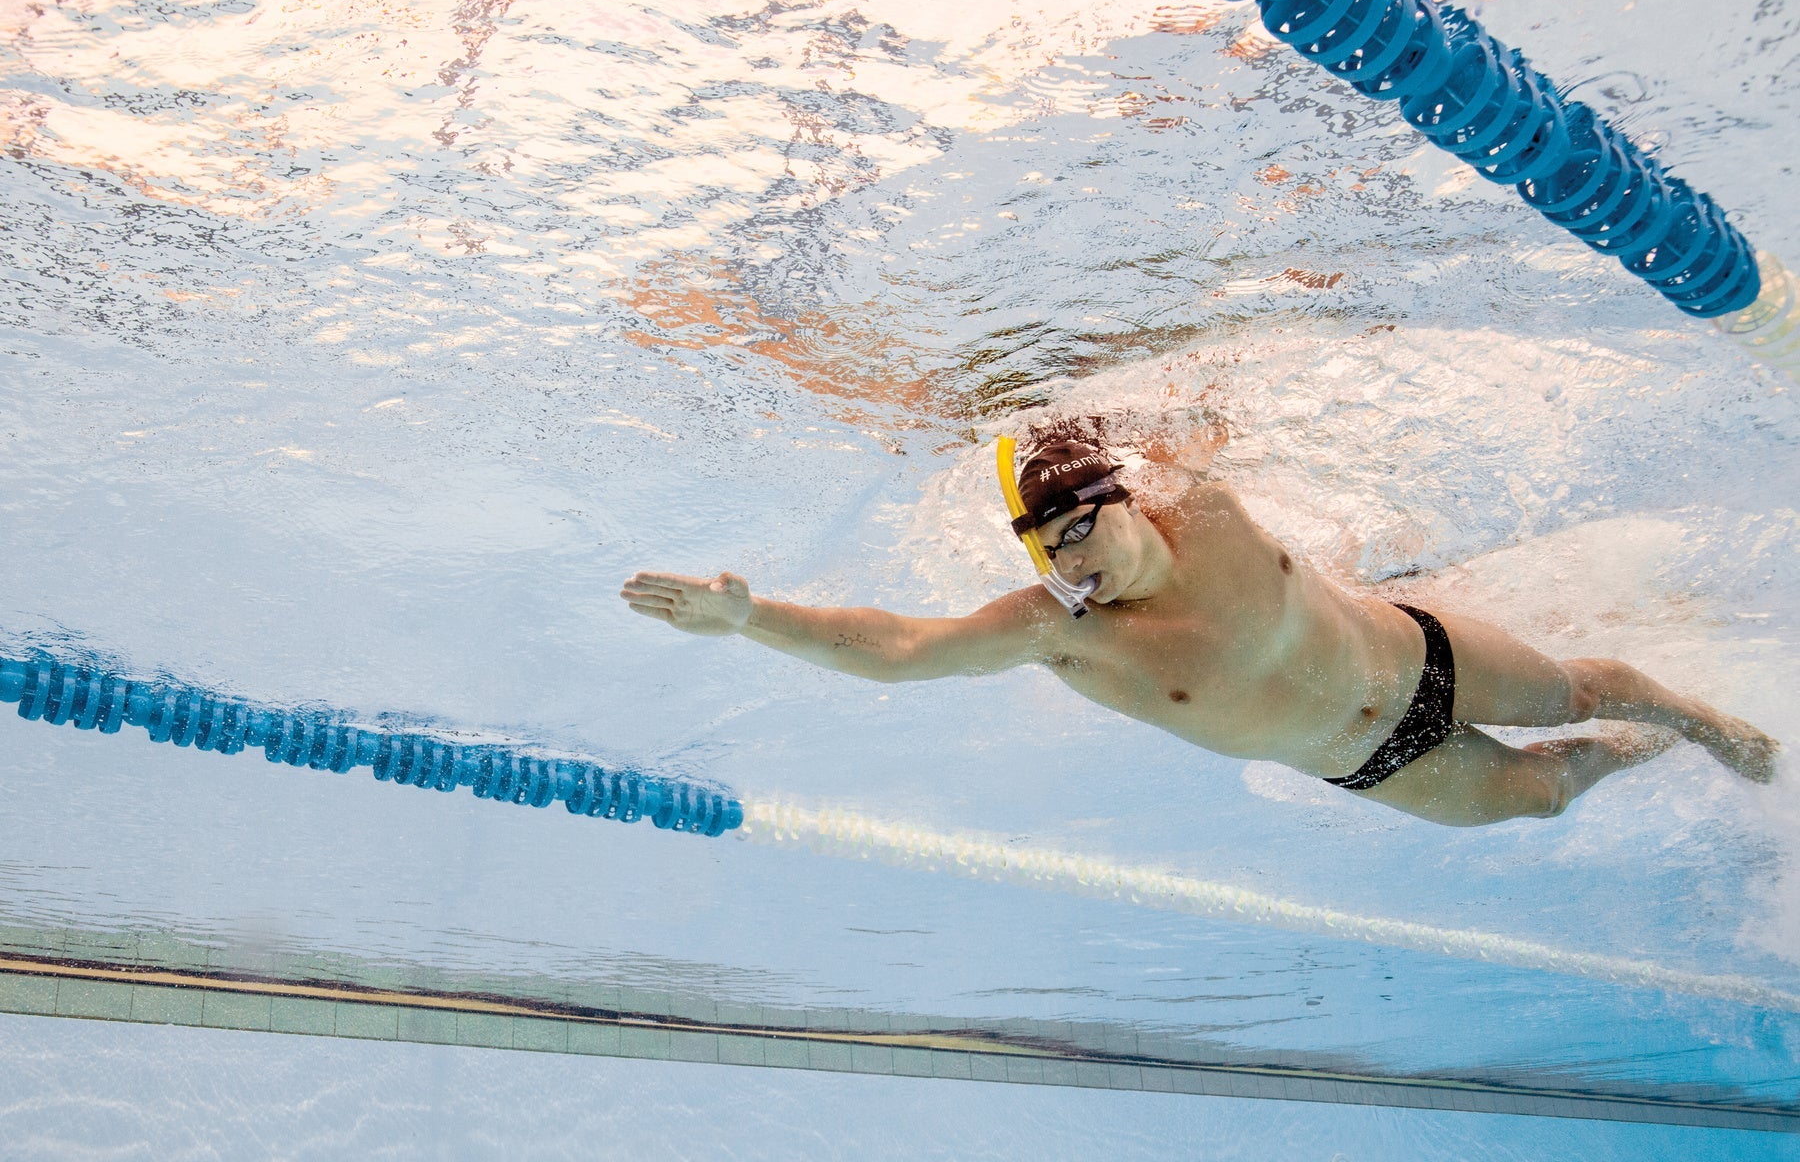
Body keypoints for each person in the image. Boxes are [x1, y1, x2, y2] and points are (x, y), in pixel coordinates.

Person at [620, 426, 1778, 826]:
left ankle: (1689, 715)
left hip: (1421, 653)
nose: (1066, 562)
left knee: (1575, 688)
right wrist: (750, 617)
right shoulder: (1061, 631)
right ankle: (1645, 751)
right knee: (1542, 796)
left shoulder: (1206, 507)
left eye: (1074, 532)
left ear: (1117, 504)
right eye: (1047, 550)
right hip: (1366, 760)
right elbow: (899, 648)